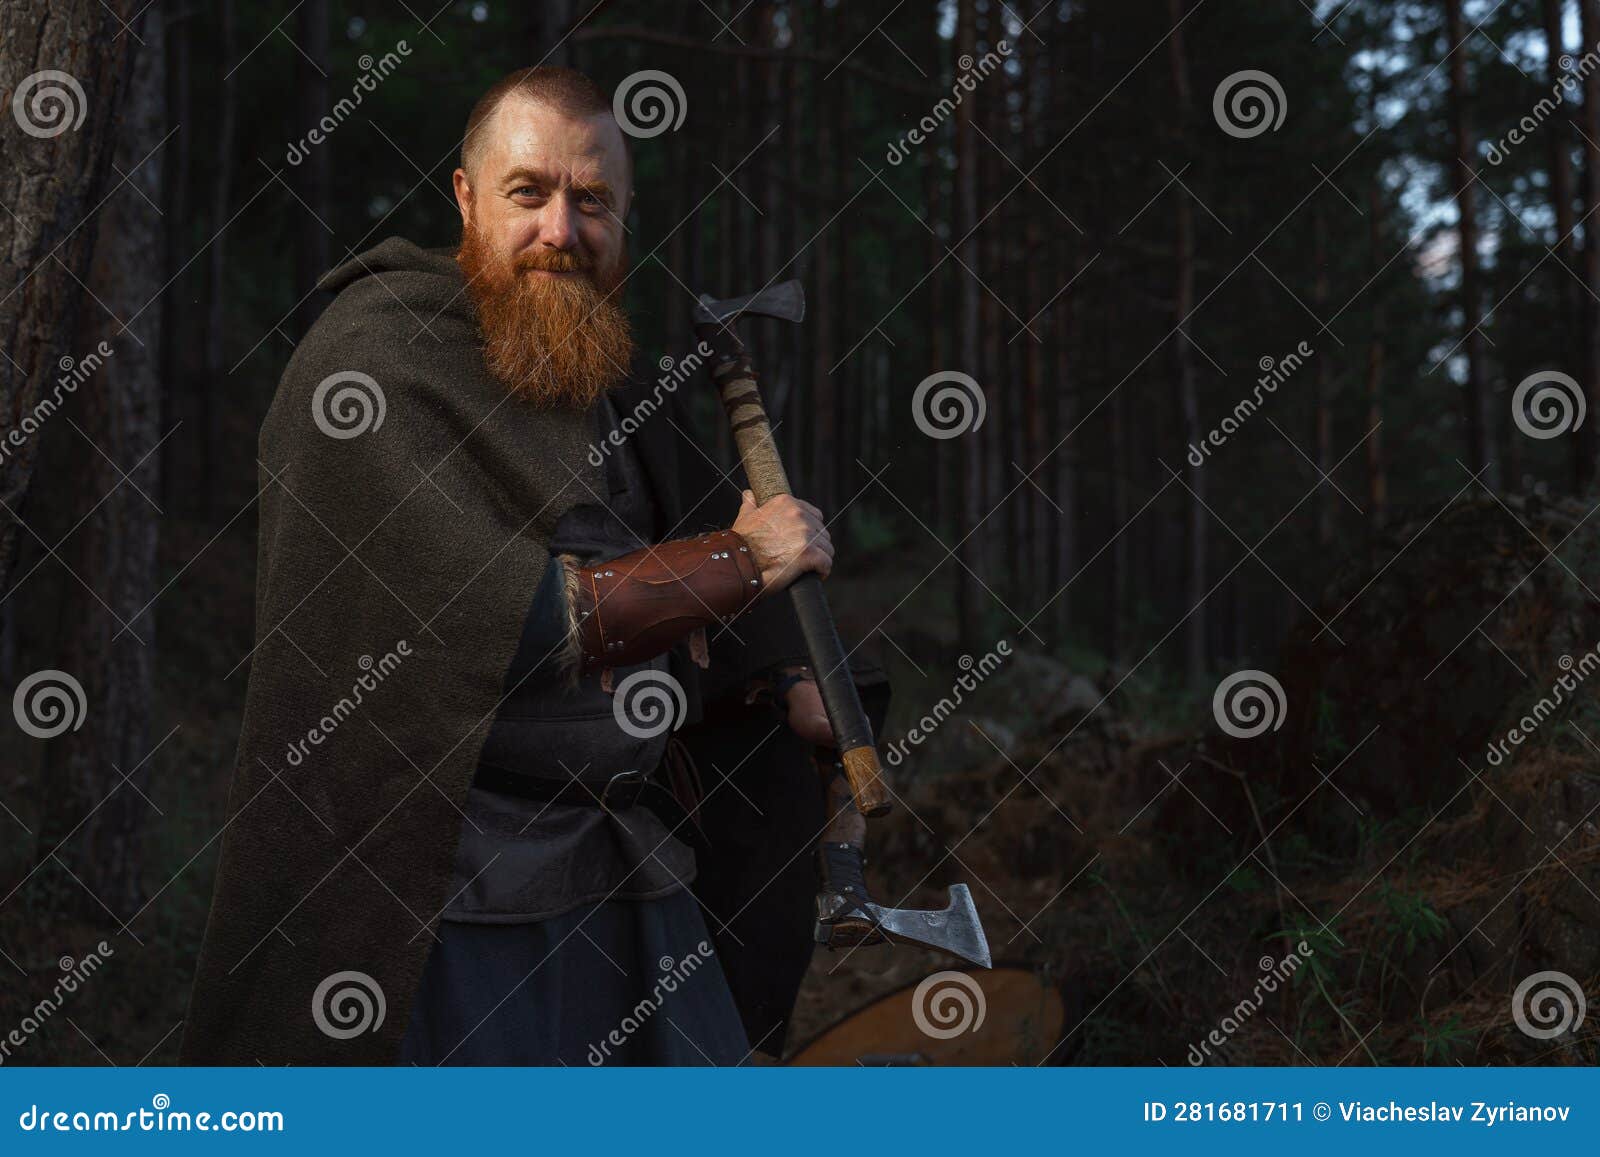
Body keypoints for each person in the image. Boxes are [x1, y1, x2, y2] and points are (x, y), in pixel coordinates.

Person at [180, 66, 884, 1066]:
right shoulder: (374, 365)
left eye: (592, 201)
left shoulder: (603, 375)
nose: (562, 229)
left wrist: (780, 684)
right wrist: (737, 557)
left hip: (627, 869)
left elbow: (699, 599)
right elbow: (497, 622)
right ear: (465, 200)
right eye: (530, 192)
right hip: (438, 894)